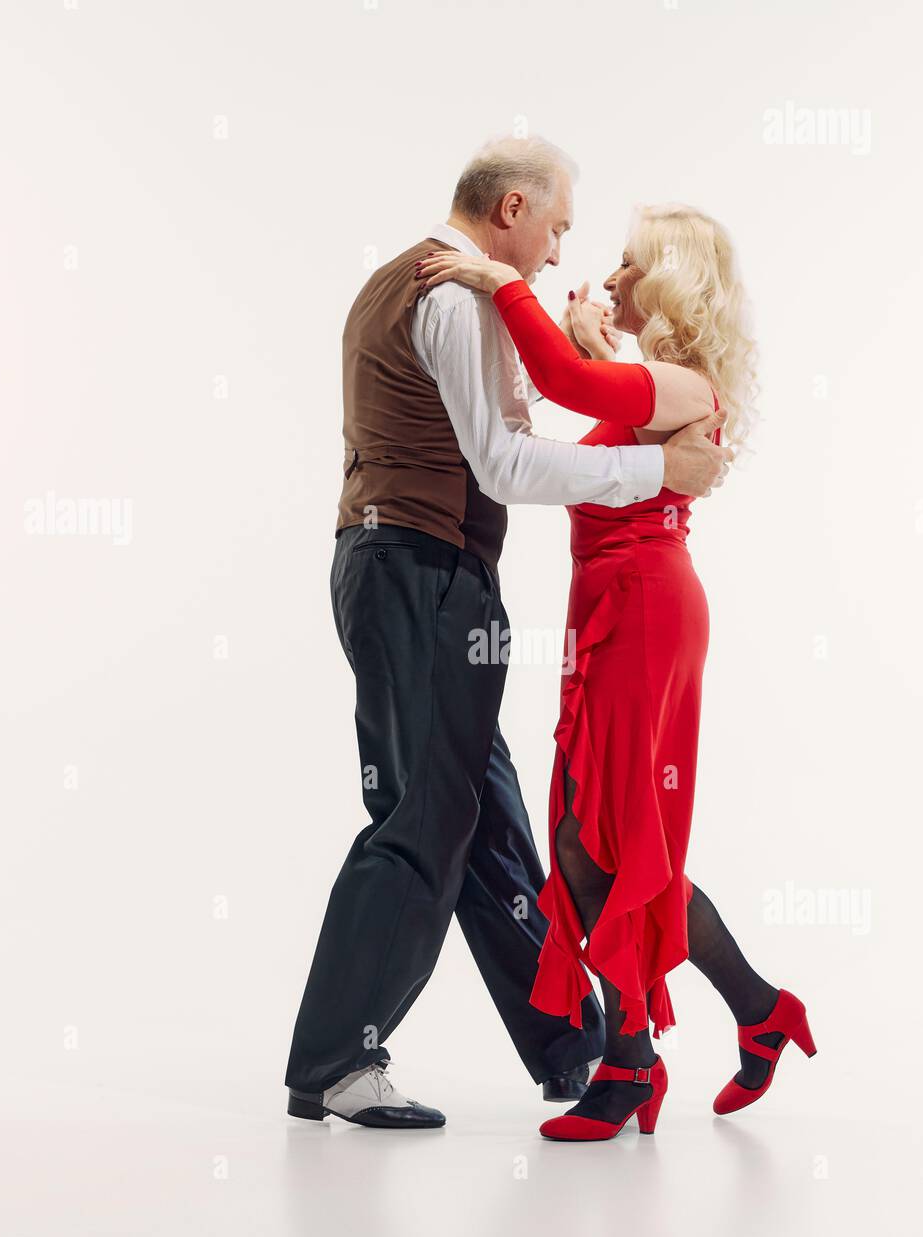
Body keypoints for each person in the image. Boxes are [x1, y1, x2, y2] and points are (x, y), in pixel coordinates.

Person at [283, 138, 733, 1128]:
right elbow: (504, 464)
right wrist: (658, 477)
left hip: (418, 573)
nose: (559, 252)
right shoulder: (450, 295)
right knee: (423, 821)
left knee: (483, 811)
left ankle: (569, 1040)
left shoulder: (412, 284)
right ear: (511, 208)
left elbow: (525, 413)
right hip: (418, 572)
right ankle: (336, 1061)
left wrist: (580, 352)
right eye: (558, 228)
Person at [415, 203, 816, 1141]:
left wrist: (498, 281)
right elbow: (581, 399)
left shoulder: (681, 383)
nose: (615, 278)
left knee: (598, 838)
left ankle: (637, 1059)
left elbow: (562, 381)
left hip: (642, 613)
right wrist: (589, 339)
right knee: (604, 837)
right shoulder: (660, 382)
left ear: (672, 283)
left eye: (633, 268)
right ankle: (747, 1015)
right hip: (614, 610)